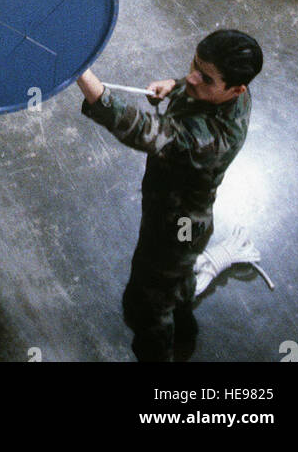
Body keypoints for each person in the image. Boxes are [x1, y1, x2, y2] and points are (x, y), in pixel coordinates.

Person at [77, 29, 263, 363]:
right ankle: (185, 328)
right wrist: (176, 84)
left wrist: (80, 74)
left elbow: (141, 130)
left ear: (236, 89)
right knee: (178, 280)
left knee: (144, 306)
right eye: (194, 64)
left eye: (204, 78)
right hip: (191, 222)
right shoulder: (229, 90)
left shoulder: (208, 141)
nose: (193, 78)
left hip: (176, 225)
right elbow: (197, 82)